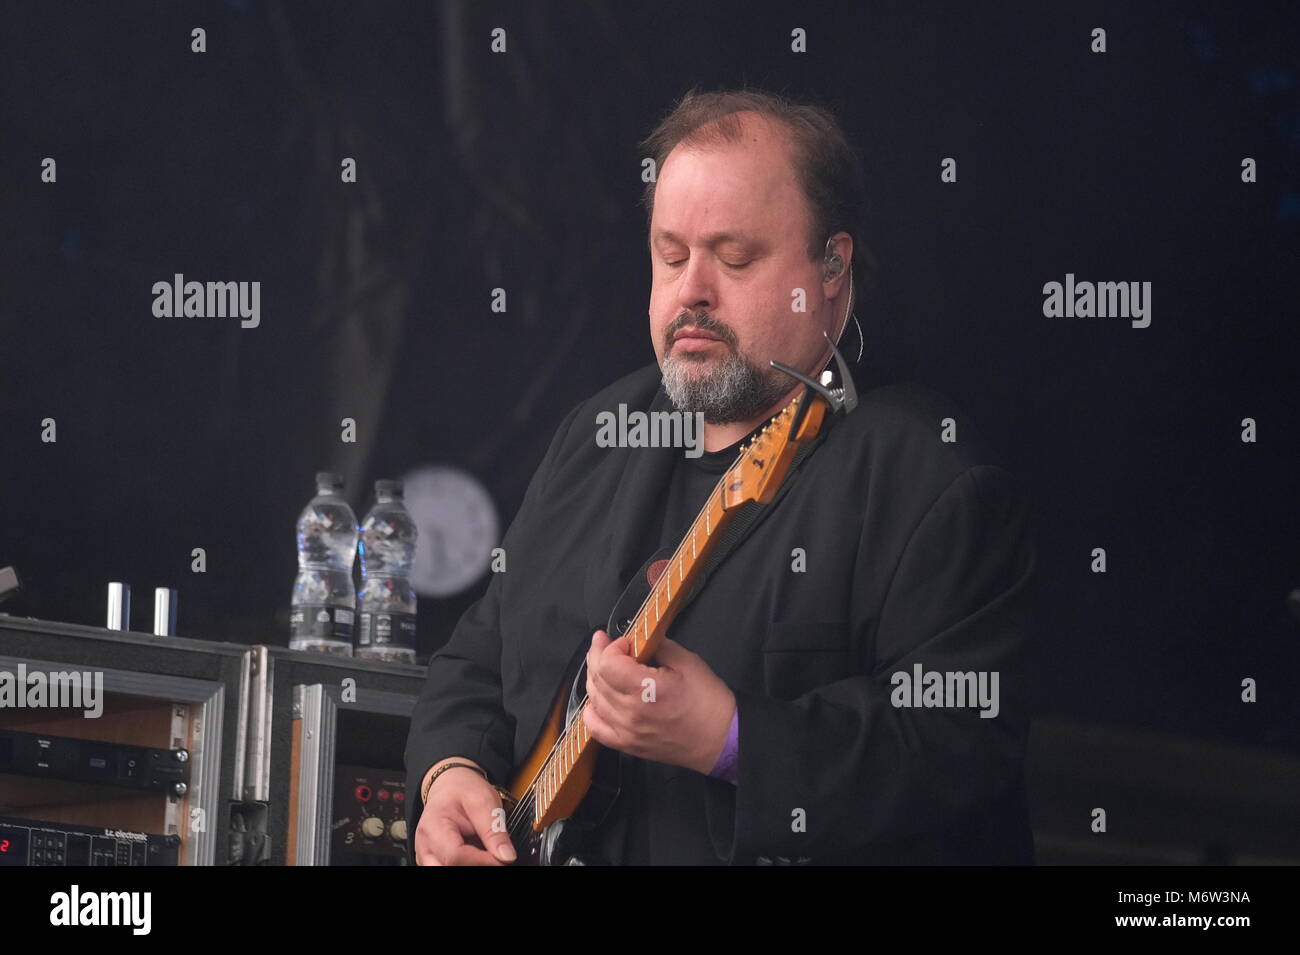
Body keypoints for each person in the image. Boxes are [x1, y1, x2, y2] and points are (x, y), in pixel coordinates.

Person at [405, 87, 1038, 865]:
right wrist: (450, 774)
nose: (692, 290)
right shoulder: (595, 436)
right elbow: (477, 656)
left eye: (735, 257)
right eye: (671, 255)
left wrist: (733, 739)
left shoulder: (930, 478)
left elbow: (959, 749)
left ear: (831, 267)